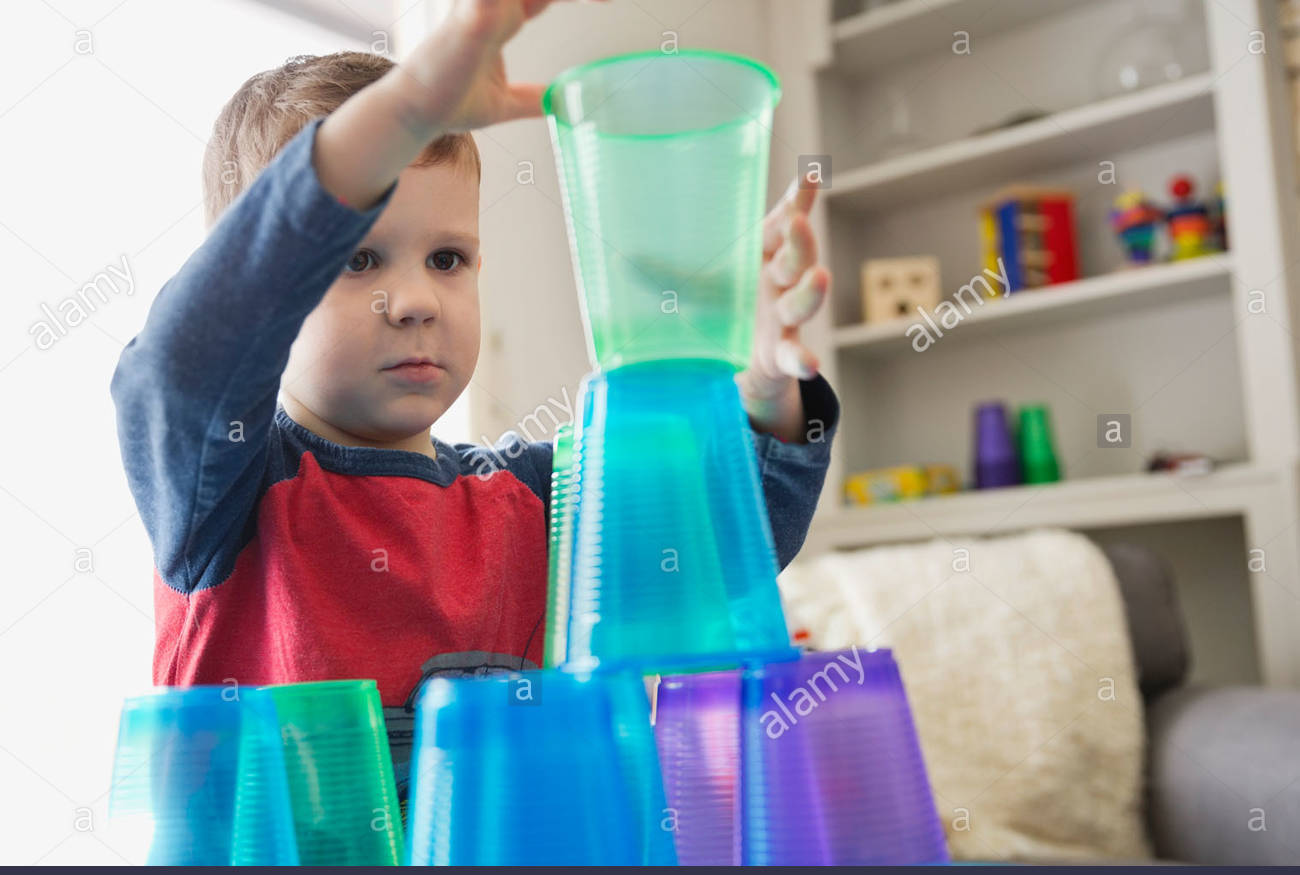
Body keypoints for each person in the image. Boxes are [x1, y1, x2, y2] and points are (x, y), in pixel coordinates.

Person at [109, 0, 839, 799]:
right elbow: (180, 365)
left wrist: (766, 383)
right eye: (357, 261)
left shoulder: (541, 497)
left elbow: (719, 542)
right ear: (267, 293)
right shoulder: (224, 493)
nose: (416, 299)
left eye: (448, 258)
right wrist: (402, 113)